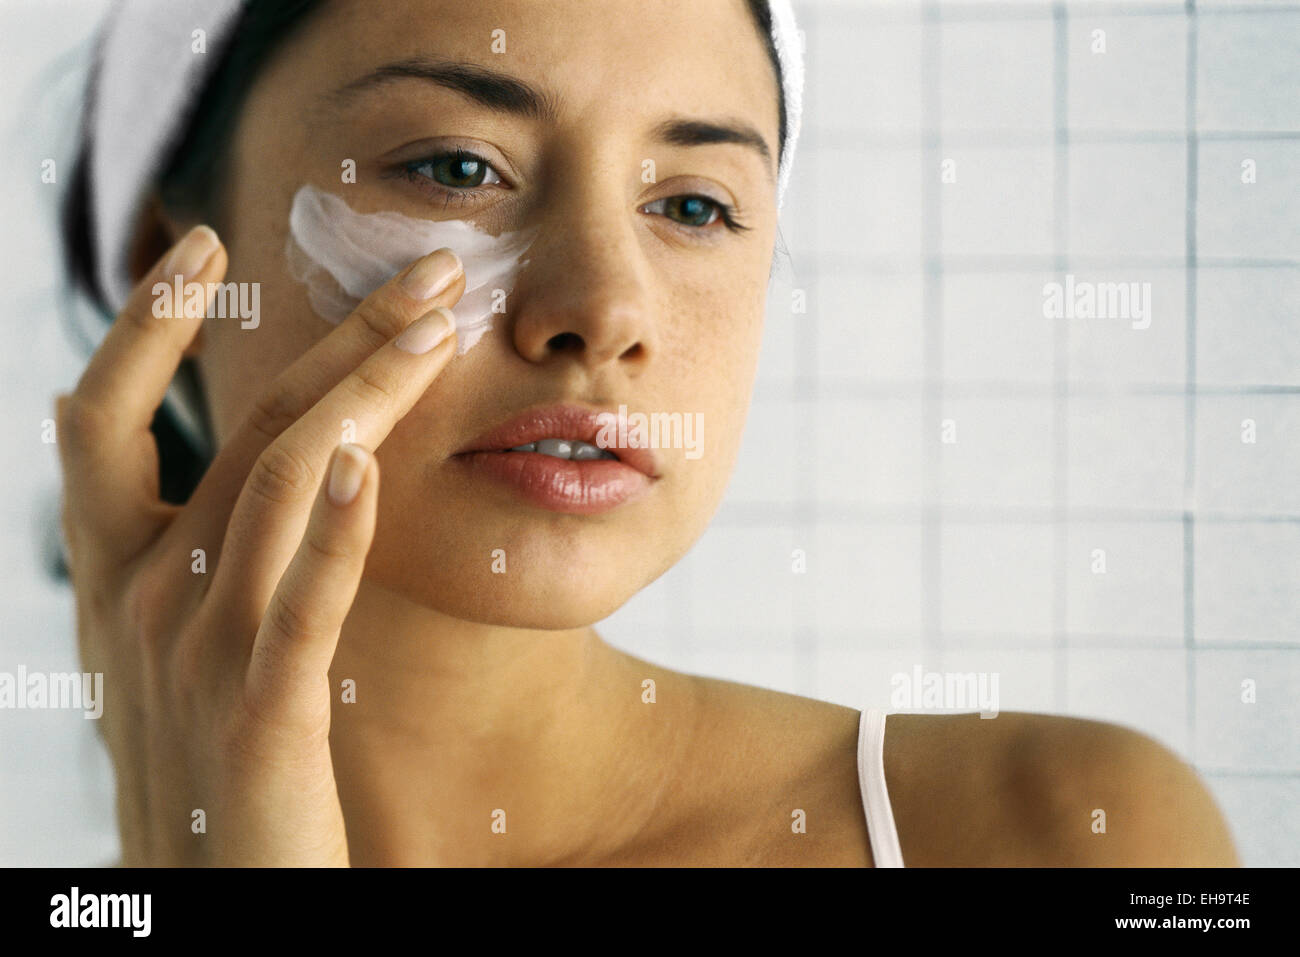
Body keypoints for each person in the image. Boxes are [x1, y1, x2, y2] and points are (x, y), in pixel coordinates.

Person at [54, 0, 1238, 866]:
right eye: (461, 168)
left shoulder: (1079, 832)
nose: (606, 312)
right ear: (175, 274)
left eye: (691, 206)